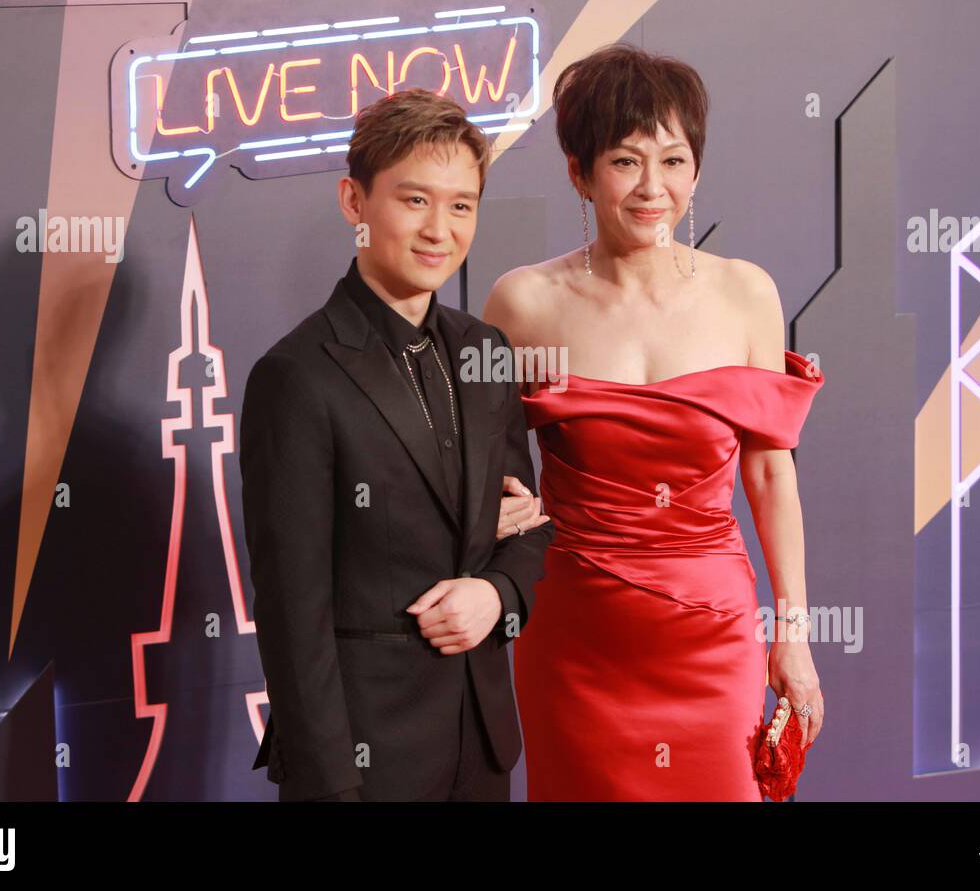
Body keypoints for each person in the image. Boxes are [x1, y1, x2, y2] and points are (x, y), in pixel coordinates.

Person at [484, 43, 826, 801]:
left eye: (673, 161)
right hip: (575, 634)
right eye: (625, 161)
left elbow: (770, 474)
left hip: (712, 632)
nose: (653, 188)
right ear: (579, 171)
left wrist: (793, 632)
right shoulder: (523, 303)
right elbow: (483, 463)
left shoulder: (746, 294)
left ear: (696, 170)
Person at [239, 87, 553, 801]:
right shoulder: (296, 376)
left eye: (461, 204)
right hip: (363, 762)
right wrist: (331, 787)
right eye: (415, 200)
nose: (439, 229)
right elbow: (293, 614)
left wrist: (496, 593)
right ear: (355, 201)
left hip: (483, 749)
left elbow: (530, 522)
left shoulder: (486, 353)